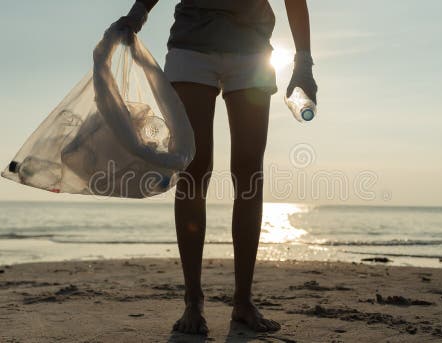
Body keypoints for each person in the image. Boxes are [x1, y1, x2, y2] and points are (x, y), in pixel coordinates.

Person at [111, 0, 317, 335]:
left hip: (252, 48)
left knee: (249, 173)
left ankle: (243, 302)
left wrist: (303, 62)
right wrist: (137, 15)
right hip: (192, 46)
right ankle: (193, 300)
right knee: (194, 169)